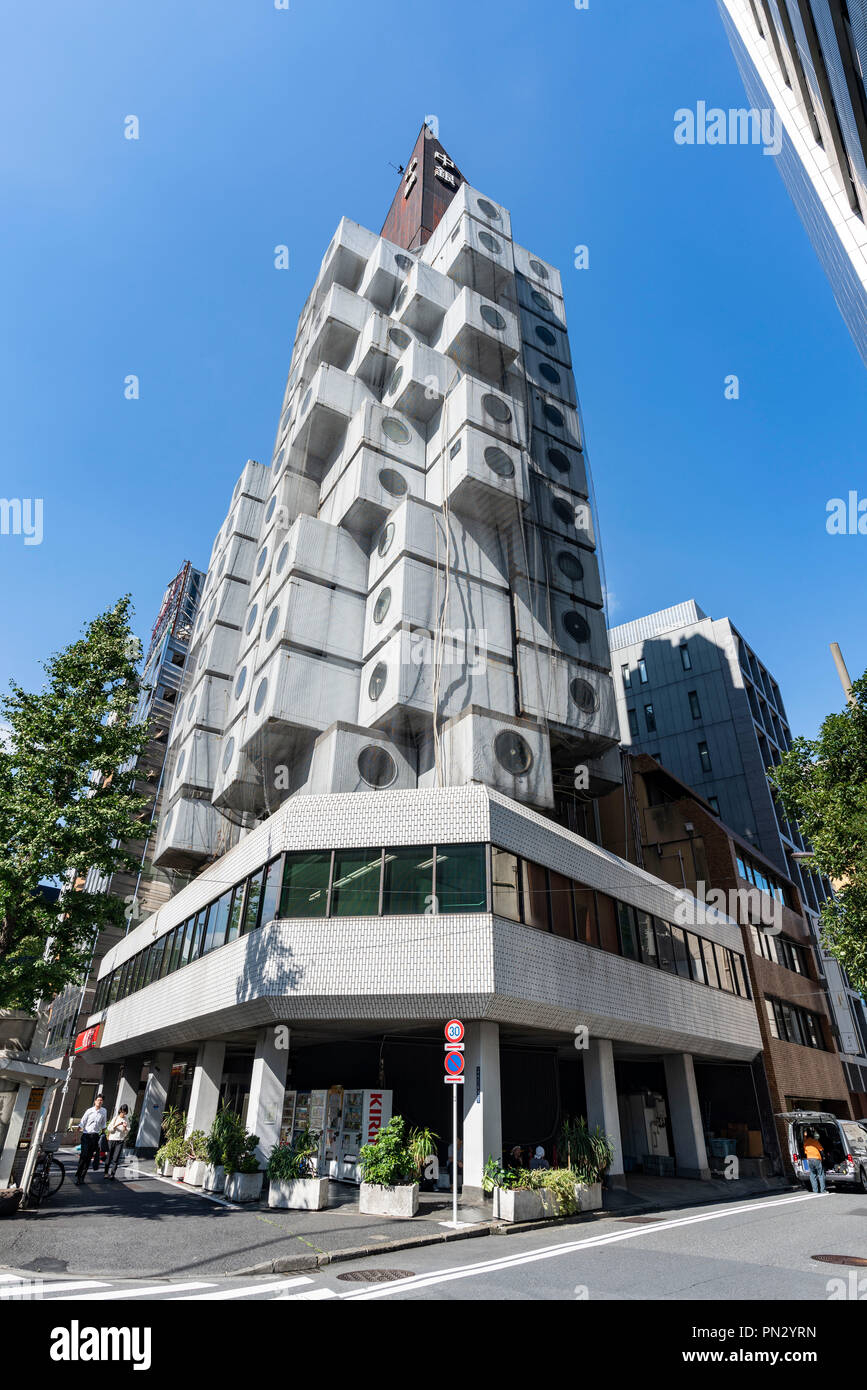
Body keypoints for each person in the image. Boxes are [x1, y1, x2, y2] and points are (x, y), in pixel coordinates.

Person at [75, 1094, 107, 1184]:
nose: (99, 1102)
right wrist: (76, 1134)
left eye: (101, 1100)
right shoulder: (89, 1111)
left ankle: (82, 1177)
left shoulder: (104, 1111)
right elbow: (82, 1122)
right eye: (98, 1100)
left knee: (89, 1157)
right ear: (95, 1101)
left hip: (95, 1136)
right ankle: (78, 1175)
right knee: (84, 1155)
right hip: (86, 1135)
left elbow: (103, 1124)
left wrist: (104, 1135)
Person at [103, 1104, 131, 1179]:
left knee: (116, 1158)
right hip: (112, 1140)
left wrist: (125, 1127)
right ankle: (106, 1173)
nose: (123, 1113)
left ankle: (112, 1174)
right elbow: (109, 1129)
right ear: (120, 1110)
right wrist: (117, 1125)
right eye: (122, 1111)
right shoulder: (115, 1118)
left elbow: (127, 1131)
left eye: (125, 1112)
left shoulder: (126, 1119)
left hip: (120, 1141)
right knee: (108, 1157)